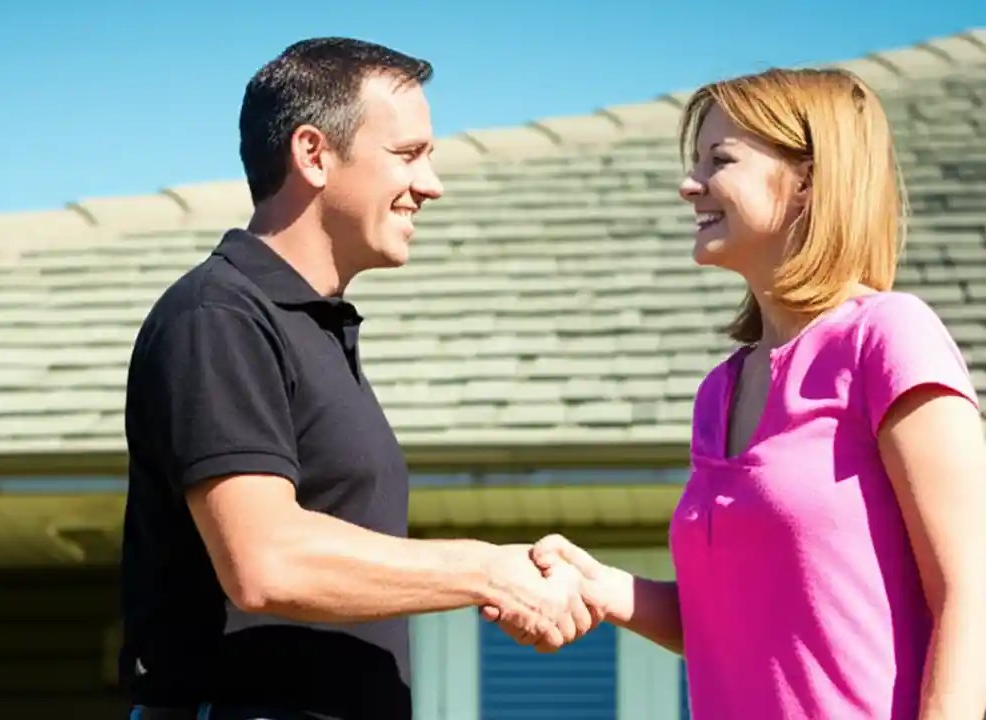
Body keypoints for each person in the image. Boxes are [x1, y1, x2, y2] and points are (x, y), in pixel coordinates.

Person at [121, 37, 602, 720]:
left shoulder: (310, 327)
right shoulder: (218, 317)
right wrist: (489, 571)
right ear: (313, 153)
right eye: (408, 155)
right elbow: (267, 563)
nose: (432, 184)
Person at [495, 67, 986, 719]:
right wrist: (604, 587)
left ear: (808, 180)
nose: (687, 185)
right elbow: (739, 626)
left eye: (718, 160)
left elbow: (970, 597)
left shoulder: (890, 339)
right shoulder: (720, 392)